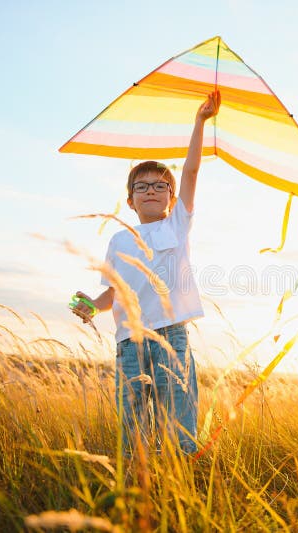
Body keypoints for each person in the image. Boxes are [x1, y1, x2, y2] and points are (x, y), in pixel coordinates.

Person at [71, 90, 221, 455]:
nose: (151, 190)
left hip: (171, 337)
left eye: (160, 186)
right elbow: (114, 292)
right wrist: (92, 304)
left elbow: (191, 170)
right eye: (142, 186)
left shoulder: (177, 225)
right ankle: (140, 492)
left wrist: (199, 122)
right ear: (130, 200)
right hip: (129, 342)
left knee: (178, 424)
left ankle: (180, 487)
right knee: (134, 427)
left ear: (171, 198)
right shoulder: (120, 240)